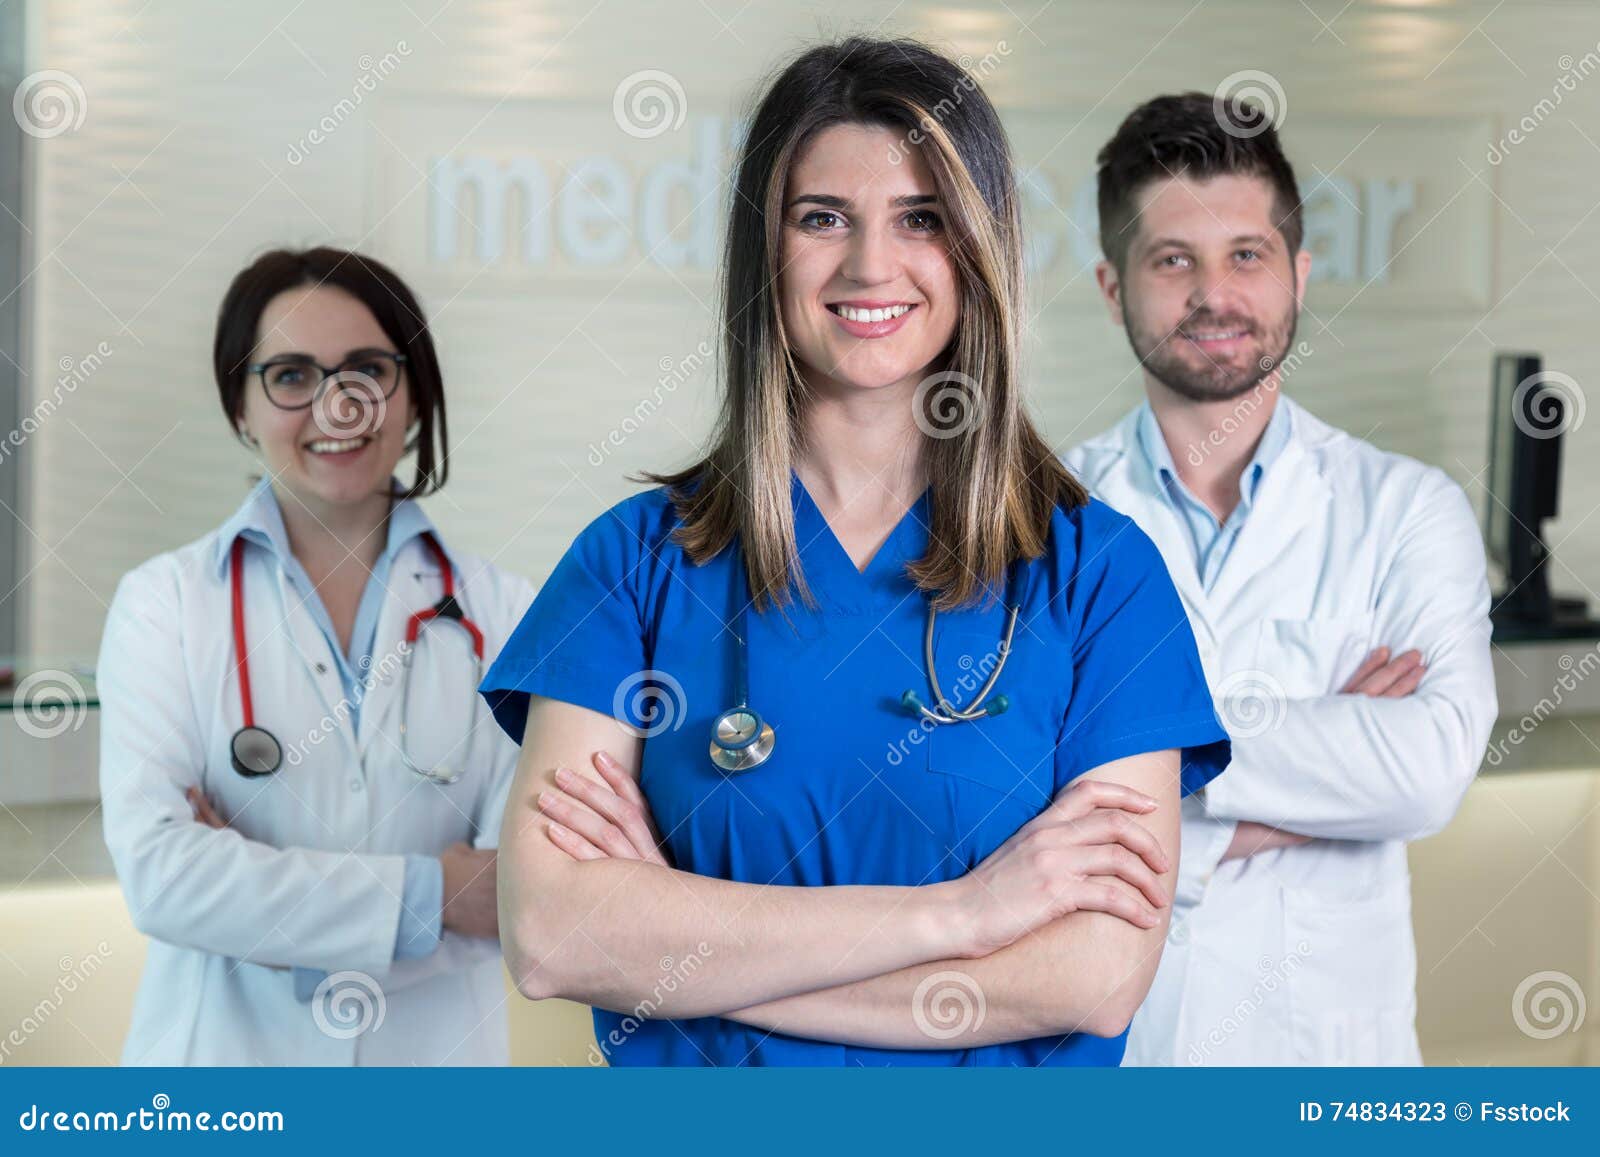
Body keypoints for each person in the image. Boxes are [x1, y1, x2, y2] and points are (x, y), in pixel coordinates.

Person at [479, 37, 1231, 1068]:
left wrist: (692, 955)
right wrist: (964, 913)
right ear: (765, 249)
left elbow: (1093, 976)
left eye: (921, 219)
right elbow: (556, 937)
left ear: (978, 250)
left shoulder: (1096, 576)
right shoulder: (631, 566)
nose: (870, 266)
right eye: (820, 217)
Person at [1064, 93, 1496, 1065]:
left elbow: (1426, 771)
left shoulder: (1404, 508)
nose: (1214, 293)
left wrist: (1132, 757)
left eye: (1246, 255)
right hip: (1116, 1059)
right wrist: (1322, 754)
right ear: (1110, 284)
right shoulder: (1043, 519)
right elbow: (1015, 801)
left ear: (1299, 274)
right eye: (1172, 259)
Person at [97, 246, 533, 1064]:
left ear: (415, 396)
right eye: (292, 376)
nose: (338, 407)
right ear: (240, 407)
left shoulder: (506, 614)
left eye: (368, 368)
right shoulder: (164, 604)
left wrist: (256, 908)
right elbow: (164, 876)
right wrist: (439, 893)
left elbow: (524, 897)